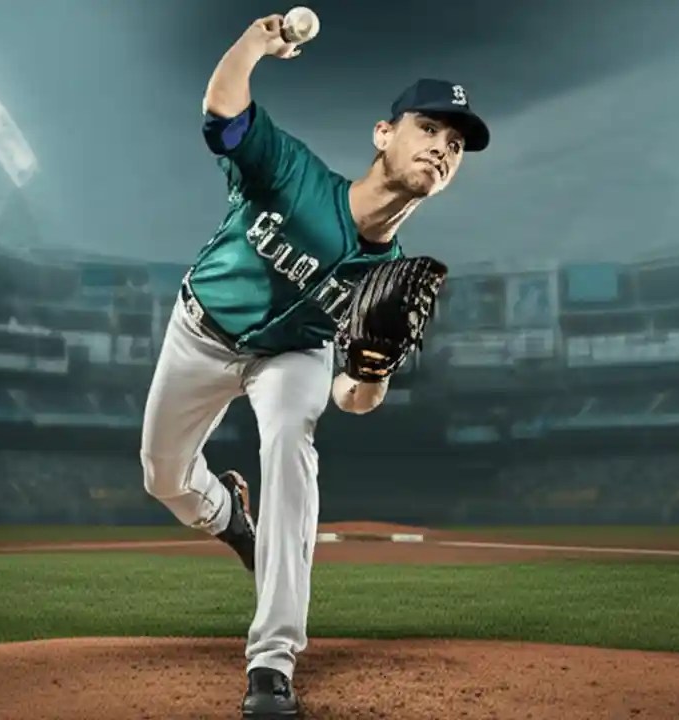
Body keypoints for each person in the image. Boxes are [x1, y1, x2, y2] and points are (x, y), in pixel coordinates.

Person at [138, 13, 489, 718]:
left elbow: (353, 398)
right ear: (384, 134)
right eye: (429, 129)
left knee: (293, 440)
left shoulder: (394, 281)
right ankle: (228, 516)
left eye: (455, 146)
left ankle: (272, 663)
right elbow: (223, 116)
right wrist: (253, 44)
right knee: (162, 476)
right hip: (201, 330)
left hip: (293, 355)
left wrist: (373, 367)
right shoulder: (294, 173)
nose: (443, 149)